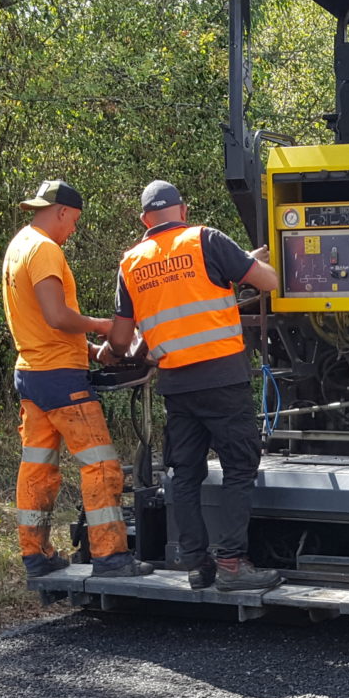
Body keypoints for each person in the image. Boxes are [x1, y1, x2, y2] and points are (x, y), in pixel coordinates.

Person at [107, 181, 284, 593]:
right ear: (182, 210)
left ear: (143, 220)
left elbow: (120, 340)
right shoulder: (206, 239)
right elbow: (268, 282)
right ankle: (233, 565)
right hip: (222, 378)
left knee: (184, 473)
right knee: (240, 467)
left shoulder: (131, 262)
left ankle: (196, 565)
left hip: (177, 386)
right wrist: (253, 262)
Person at [2, 179, 152, 586]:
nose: (73, 231)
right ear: (63, 211)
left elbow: (41, 324)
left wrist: (89, 349)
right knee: (101, 465)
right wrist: (106, 326)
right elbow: (56, 315)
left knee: (37, 468)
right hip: (59, 380)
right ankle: (110, 556)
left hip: (32, 374)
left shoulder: (19, 245)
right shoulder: (46, 250)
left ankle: (37, 556)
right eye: (74, 222)